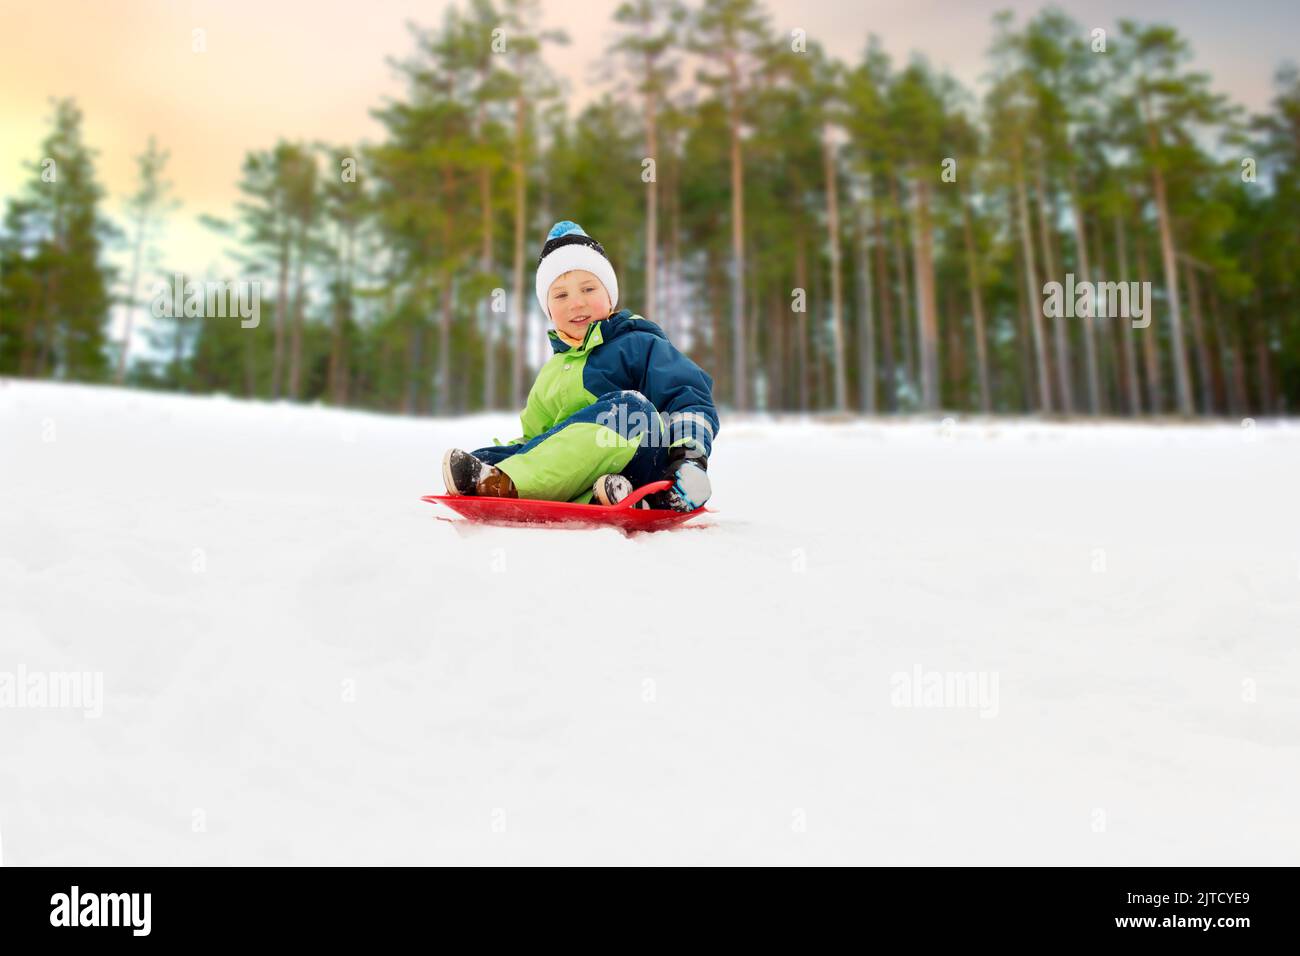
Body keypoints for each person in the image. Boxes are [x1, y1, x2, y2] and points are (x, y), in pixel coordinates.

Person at [442, 220, 718, 511]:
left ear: (610, 296)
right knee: (493, 453)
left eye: (588, 289)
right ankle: (603, 494)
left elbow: (688, 395)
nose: (576, 303)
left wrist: (691, 459)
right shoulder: (551, 374)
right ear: (548, 309)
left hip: (643, 461)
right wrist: (497, 457)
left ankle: (509, 484)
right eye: (561, 295)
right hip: (578, 478)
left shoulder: (637, 344)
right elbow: (536, 439)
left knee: (628, 411)